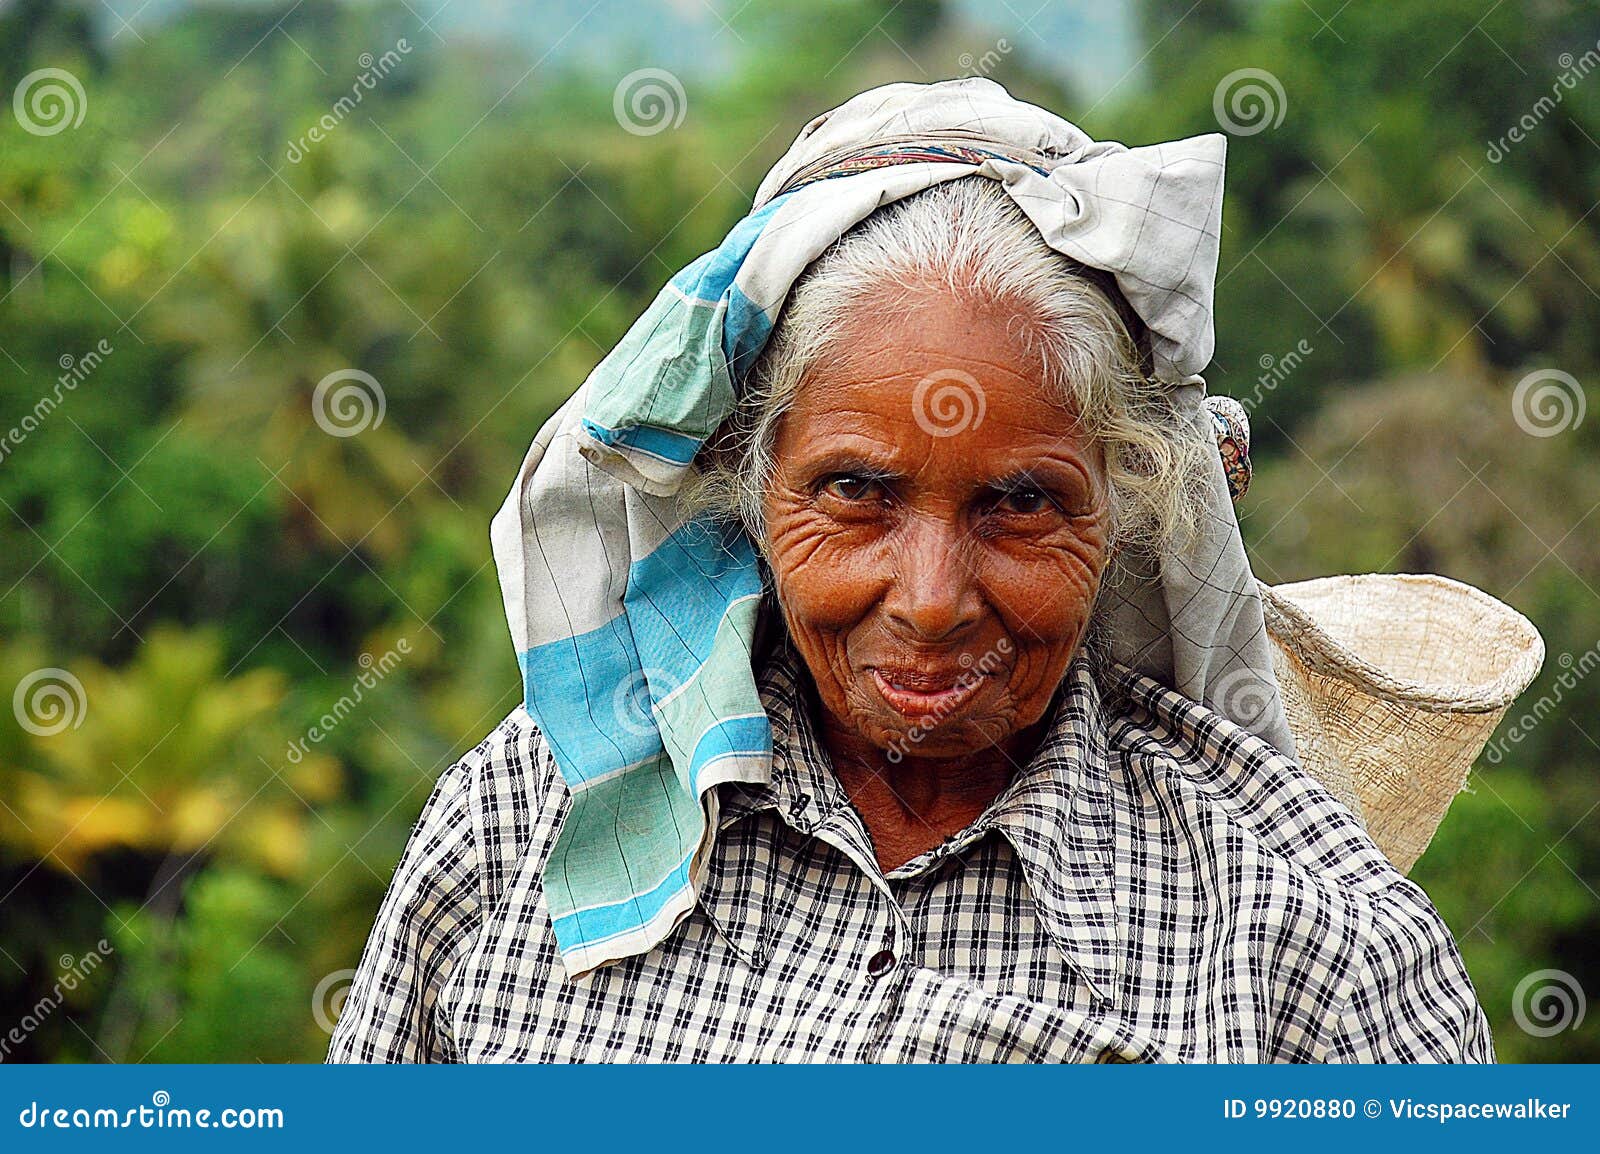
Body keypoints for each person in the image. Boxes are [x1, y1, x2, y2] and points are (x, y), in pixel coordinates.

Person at [327, 79, 1492, 1063]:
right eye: (856, 491)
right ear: (750, 477)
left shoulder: (1312, 955)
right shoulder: (519, 823)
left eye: (1021, 503)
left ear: (1126, 503)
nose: (931, 601)